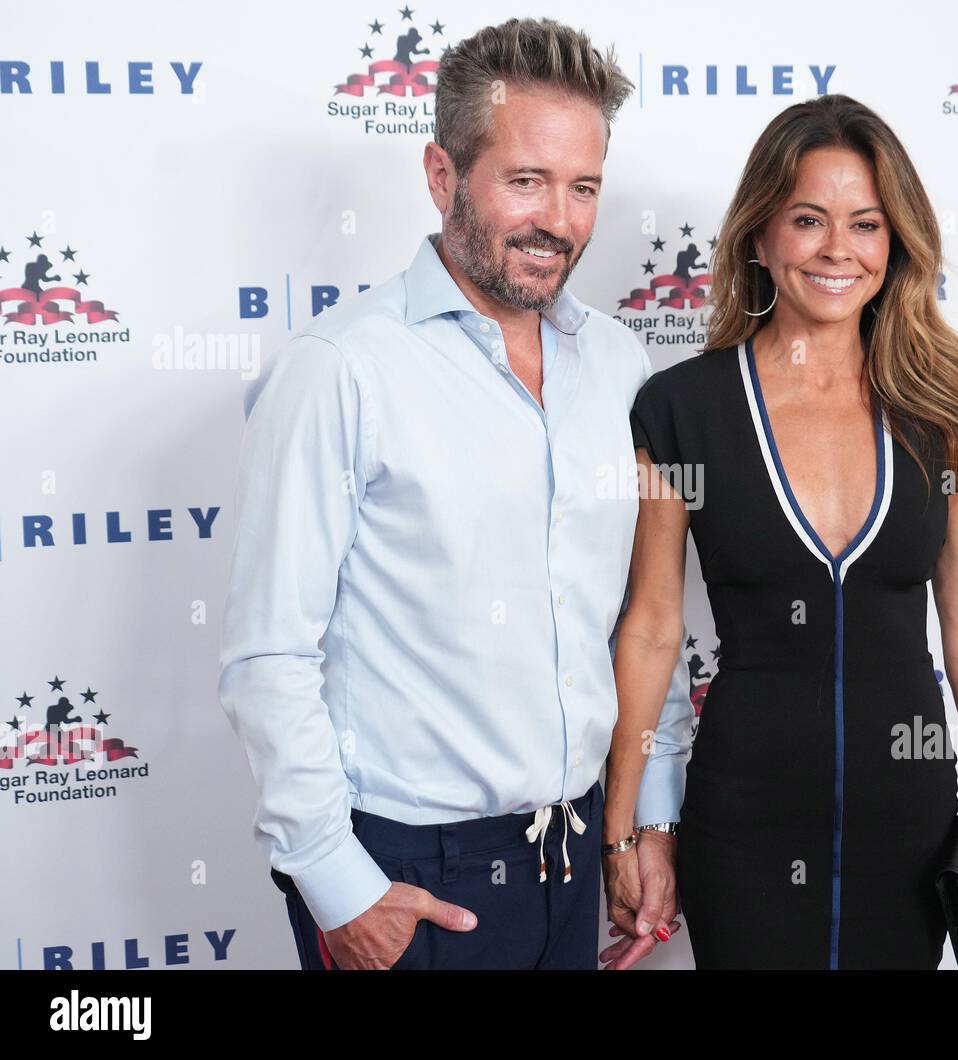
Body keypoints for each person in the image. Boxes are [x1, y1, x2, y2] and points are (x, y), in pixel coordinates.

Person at [217, 17, 693, 971]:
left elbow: (641, 613)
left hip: (576, 853)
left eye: (583, 187)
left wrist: (645, 818)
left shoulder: (616, 361)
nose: (557, 219)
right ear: (442, 177)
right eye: (525, 180)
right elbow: (268, 650)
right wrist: (336, 882)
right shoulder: (342, 368)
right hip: (409, 872)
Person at [602, 93, 958, 969]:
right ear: (761, 239)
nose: (838, 249)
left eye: (866, 224)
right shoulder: (683, 410)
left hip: (910, 832)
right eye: (808, 219)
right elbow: (652, 627)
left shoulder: (945, 413)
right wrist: (624, 828)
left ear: (897, 243)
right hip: (743, 825)